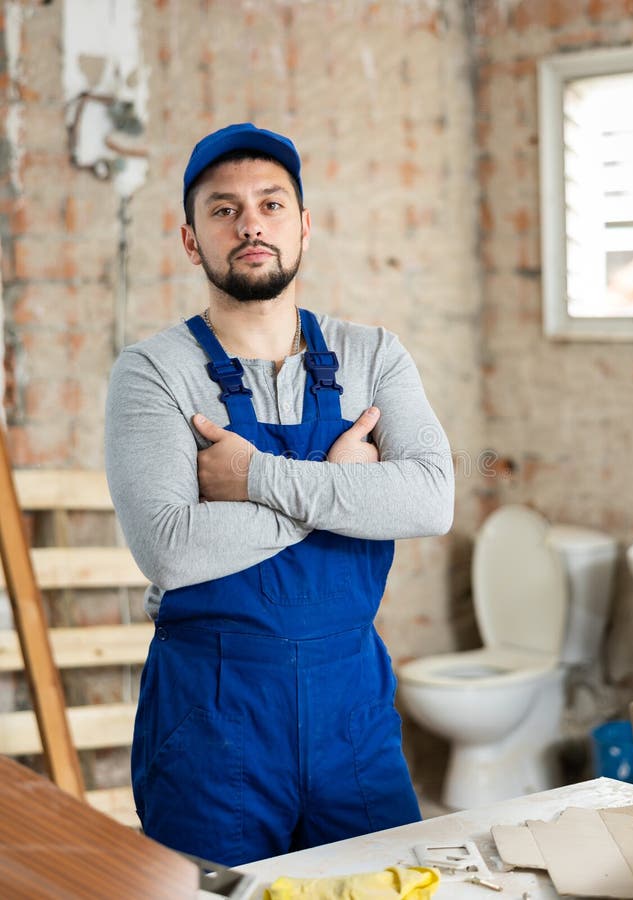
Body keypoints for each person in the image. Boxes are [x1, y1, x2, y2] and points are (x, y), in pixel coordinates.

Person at [104, 122, 454, 867]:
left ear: (304, 227)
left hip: (352, 713)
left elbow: (429, 499)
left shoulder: (374, 355)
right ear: (192, 240)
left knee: (384, 885)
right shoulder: (152, 373)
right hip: (211, 719)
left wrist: (253, 478)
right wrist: (346, 486)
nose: (250, 223)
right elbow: (169, 547)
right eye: (224, 209)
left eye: (271, 203)